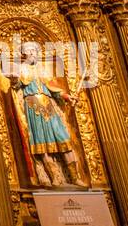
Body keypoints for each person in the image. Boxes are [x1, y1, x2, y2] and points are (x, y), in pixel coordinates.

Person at [11, 40, 85, 186]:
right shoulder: (21, 70)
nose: (34, 53)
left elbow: (54, 89)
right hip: (33, 106)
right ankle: (54, 176)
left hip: (49, 106)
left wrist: (67, 96)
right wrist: (13, 78)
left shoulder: (43, 70)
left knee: (62, 137)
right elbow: (16, 85)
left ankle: (75, 177)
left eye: (35, 50)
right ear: (24, 54)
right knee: (41, 142)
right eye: (30, 50)